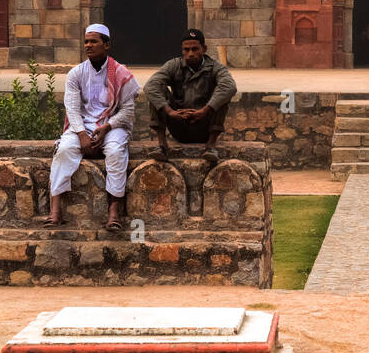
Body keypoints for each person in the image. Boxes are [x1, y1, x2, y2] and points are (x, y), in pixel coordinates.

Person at [45, 23, 140, 231]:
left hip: (112, 125)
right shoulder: (76, 74)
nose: (88, 45)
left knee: (115, 152)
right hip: (82, 126)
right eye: (86, 41)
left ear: (106, 45)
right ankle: (55, 211)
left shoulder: (121, 73)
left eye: (93, 41)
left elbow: (127, 111)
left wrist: (107, 127)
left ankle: (114, 211)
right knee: (63, 151)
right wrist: (81, 135)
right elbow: (71, 107)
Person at [144, 29, 237, 165]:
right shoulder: (174, 65)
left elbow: (230, 86)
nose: (190, 54)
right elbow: (150, 86)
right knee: (157, 91)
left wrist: (204, 110)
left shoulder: (215, 67)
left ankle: (211, 147)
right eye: (186, 50)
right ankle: (162, 146)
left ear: (204, 49)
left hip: (205, 126)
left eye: (195, 49)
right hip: (178, 125)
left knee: (222, 94)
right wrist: (170, 112)